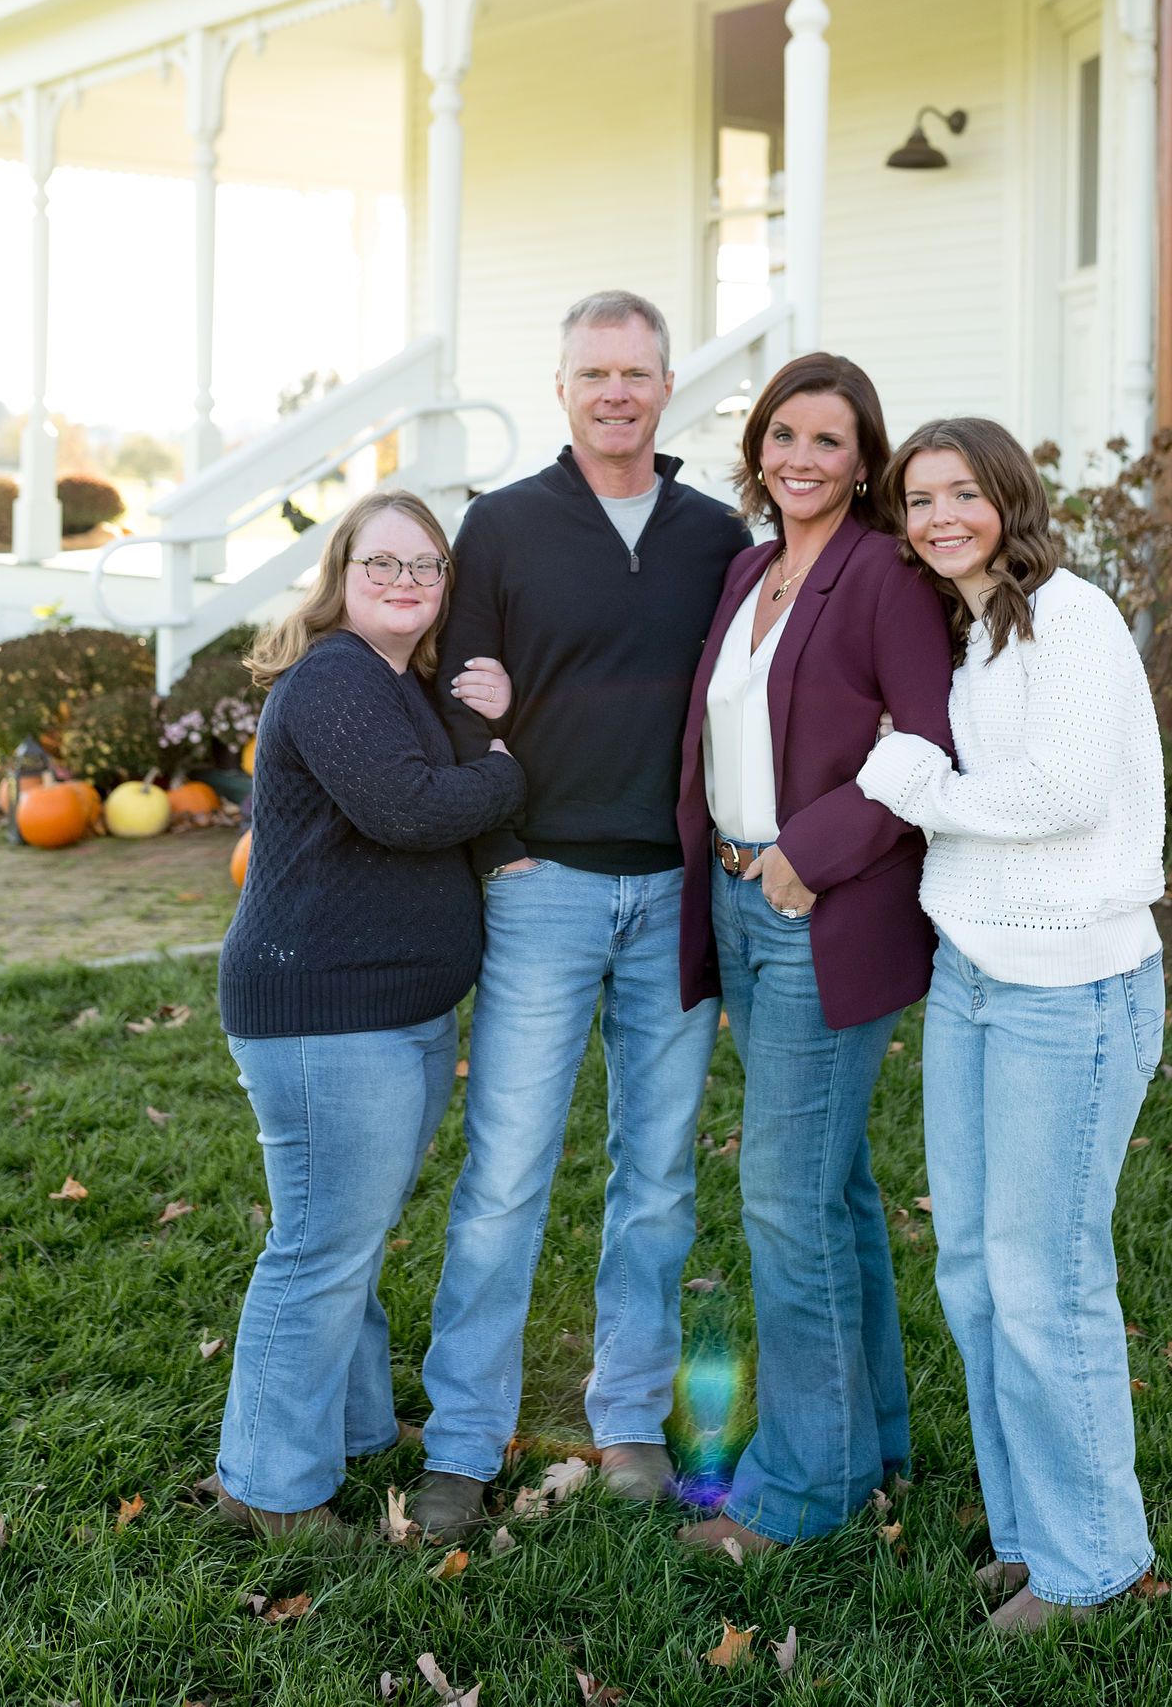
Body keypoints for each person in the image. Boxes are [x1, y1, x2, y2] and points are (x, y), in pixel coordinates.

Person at [412, 289, 751, 1538]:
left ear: (669, 388)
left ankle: (627, 1425)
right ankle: (461, 1439)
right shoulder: (498, 527)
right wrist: (498, 848)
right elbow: (457, 691)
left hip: (672, 892)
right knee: (505, 1173)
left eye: (638, 372)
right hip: (542, 887)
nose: (616, 390)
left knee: (656, 1177)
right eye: (593, 371)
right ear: (560, 388)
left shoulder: (720, 536)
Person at [855, 418, 1166, 1629]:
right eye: (917, 499)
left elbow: (1060, 793)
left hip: (1070, 990)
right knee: (977, 1272)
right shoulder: (977, 628)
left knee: (1045, 1280)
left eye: (960, 494)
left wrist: (914, 783)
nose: (937, 517)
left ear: (1007, 498)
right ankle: (1038, 1534)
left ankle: (1093, 1565)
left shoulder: (1068, 617)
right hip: (978, 978)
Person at [669, 353, 955, 1553]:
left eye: (827, 442)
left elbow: (929, 746)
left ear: (863, 459)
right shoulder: (750, 570)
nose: (799, 458)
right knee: (828, 1191)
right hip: (737, 902)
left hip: (817, 908)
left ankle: (803, 1490)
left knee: (784, 1200)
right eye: (783, 434)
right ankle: (869, 1441)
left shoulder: (883, 572)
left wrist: (810, 852)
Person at [214, 489, 525, 1538]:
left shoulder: (398, 684)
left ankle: (347, 1428)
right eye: (381, 563)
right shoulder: (337, 677)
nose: (403, 582)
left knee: (347, 1233)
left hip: (387, 1011)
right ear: (341, 577)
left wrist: (478, 717)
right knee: (318, 1246)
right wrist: (506, 771)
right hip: (322, 1016)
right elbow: (409, 810)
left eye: (424, 567)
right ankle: (267, 1486)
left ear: (444, 588)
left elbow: (428, 767)